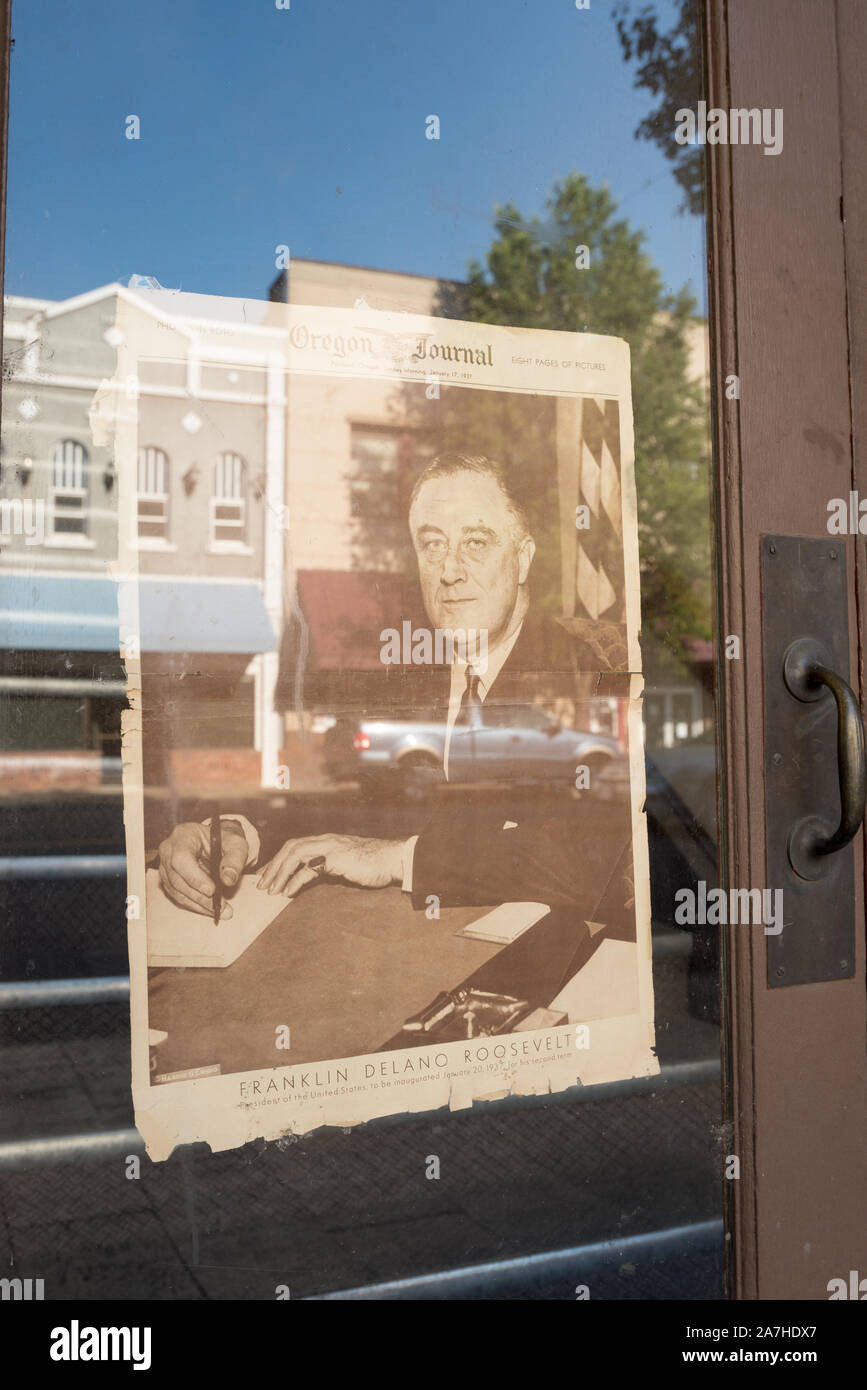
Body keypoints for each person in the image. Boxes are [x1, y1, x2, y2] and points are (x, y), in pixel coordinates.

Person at [157, 454, 631, 928]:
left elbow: (581, 863)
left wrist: (395, 859)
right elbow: (327, 791)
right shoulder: (408, 669)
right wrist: (231, 830)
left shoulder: (580, 673)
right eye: (432, 546)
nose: (450, 570)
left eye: (476, 543)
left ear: (523, 558)